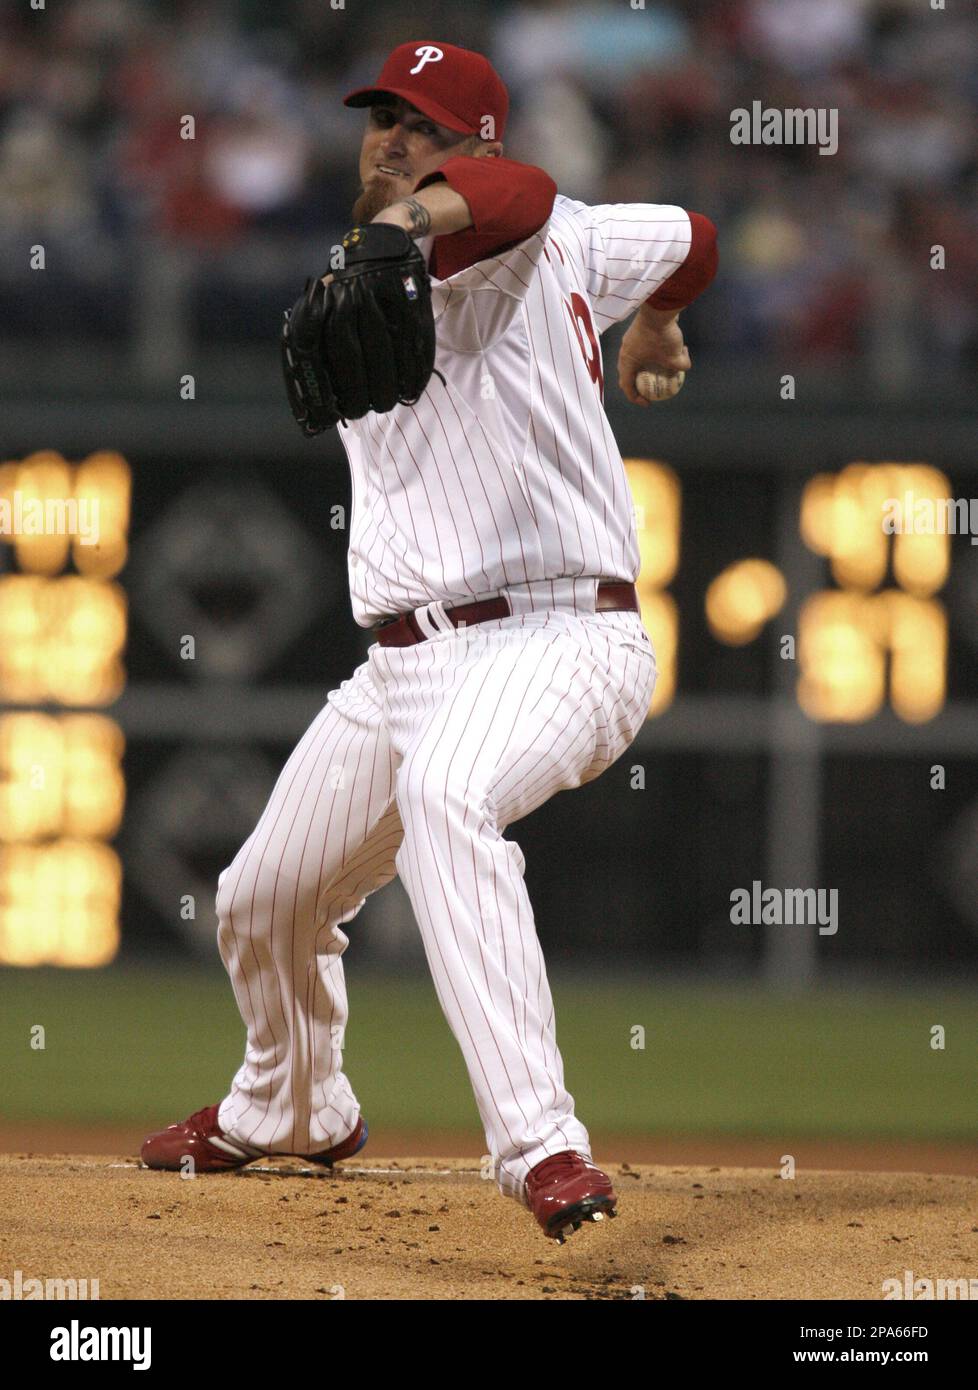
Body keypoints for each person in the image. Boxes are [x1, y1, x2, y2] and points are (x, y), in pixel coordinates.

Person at [141, 40, 717, 1243]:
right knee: (264, 897)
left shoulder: (530, 227)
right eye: (380, 120)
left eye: (424, 125)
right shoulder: (396, 256)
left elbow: (529, 196)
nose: (390, 141)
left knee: (451, 795)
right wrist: (659, 323)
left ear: (480, 144)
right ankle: (291, 1106)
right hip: (404, 662)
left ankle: (542, 1145)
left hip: (563, 638)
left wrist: (644, 321)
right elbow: (694, 240)